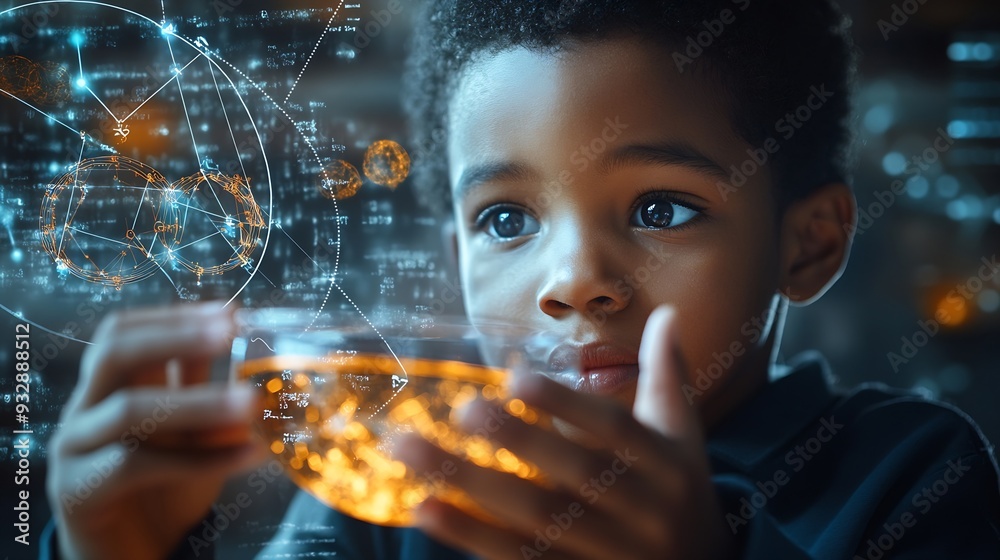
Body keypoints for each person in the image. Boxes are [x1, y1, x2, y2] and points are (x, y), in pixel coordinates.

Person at [44, 0, 1000, 558]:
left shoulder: (907, 476)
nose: (574, 282)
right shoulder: (391, 487)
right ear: (458, 261)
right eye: (506, 220)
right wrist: (116, 548)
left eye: (661, 208)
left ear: (810, 243)